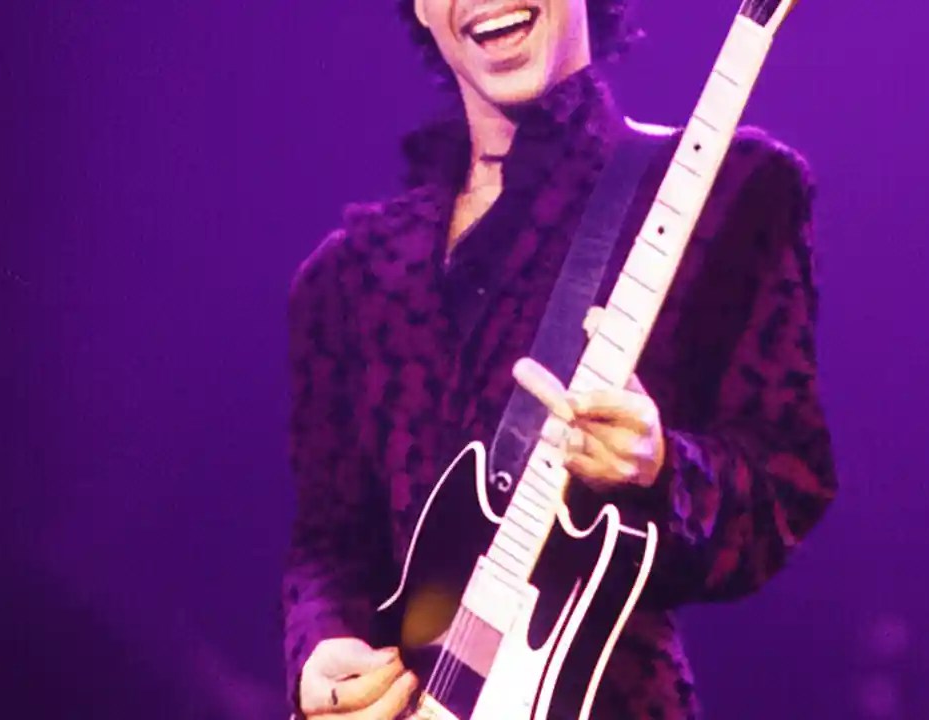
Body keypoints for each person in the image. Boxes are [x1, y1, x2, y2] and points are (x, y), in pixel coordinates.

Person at [281, 0, 838, 717]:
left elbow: (786, 486)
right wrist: (322, 653)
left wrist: (662, 468)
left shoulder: (729, 193)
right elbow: (328, 543)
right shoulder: (350, 275)